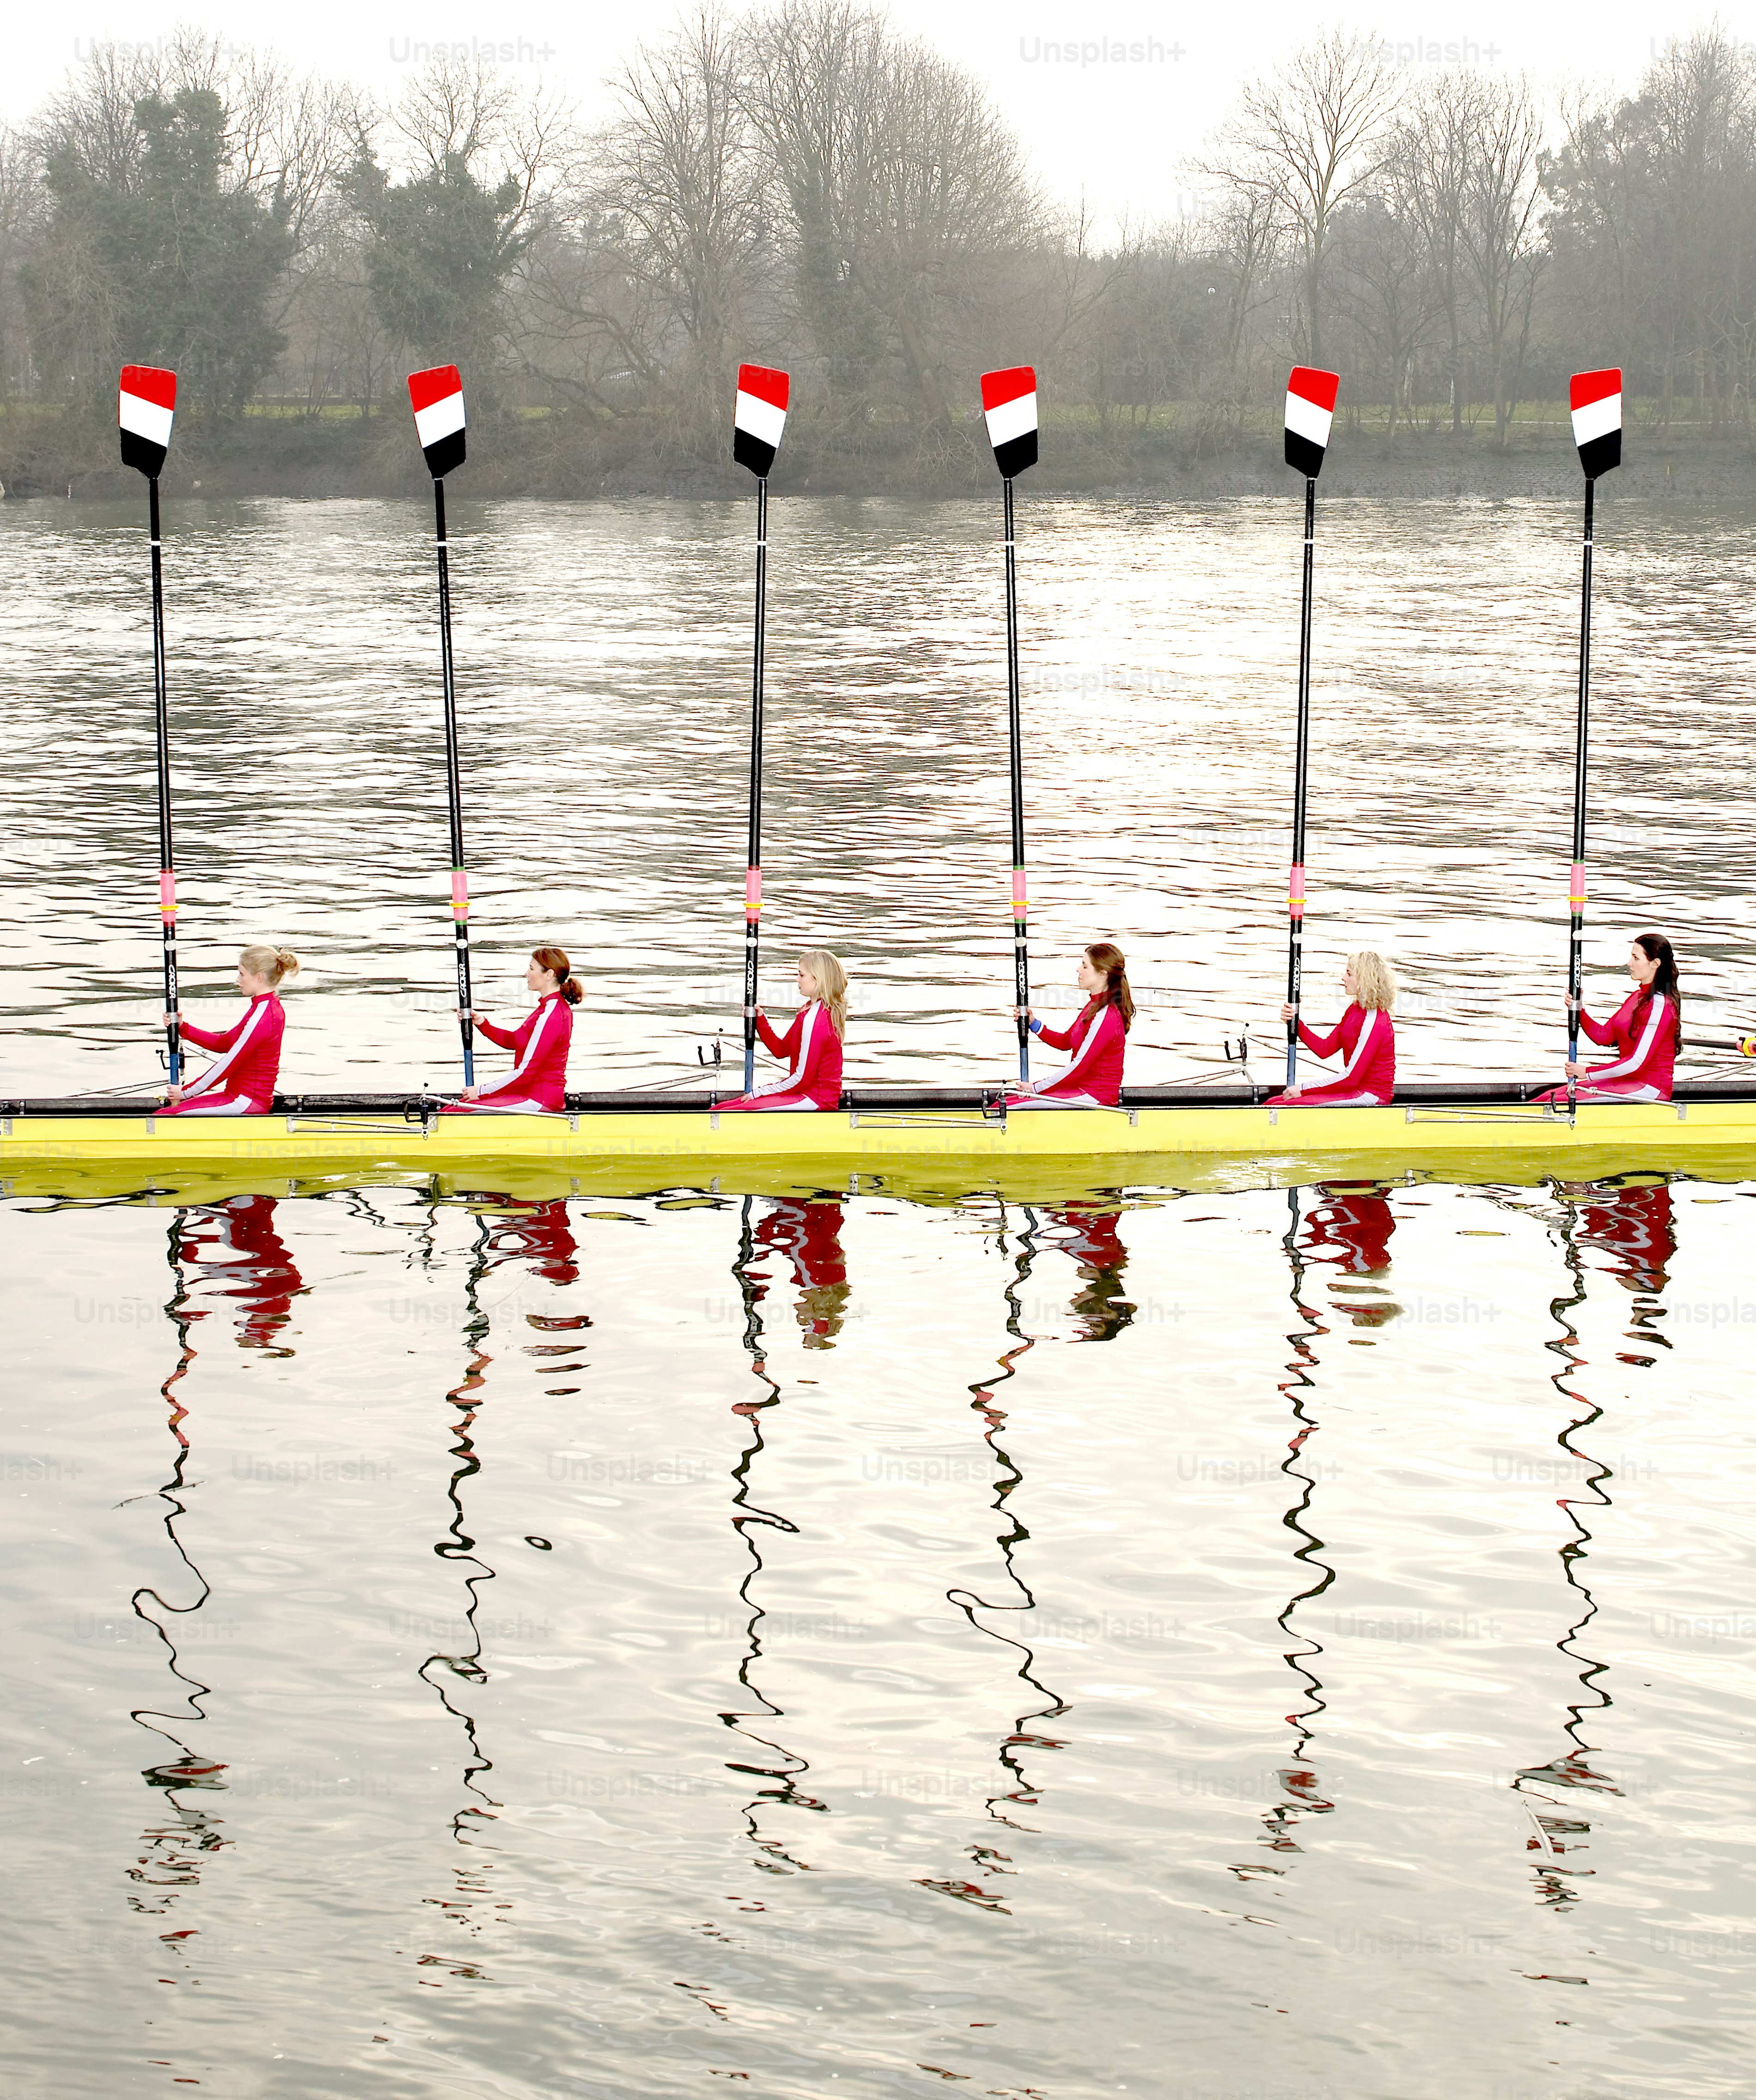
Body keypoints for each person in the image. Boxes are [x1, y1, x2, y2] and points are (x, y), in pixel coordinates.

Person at [1536, 931, 1681, 1103]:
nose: (1629, 963)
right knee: (1548, 1097)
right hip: (1627, 1081)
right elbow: (1604, 1036)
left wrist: (1587, 1073)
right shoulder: (1637, 997)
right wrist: (1580, 1009)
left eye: (1636, 958)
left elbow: (1637, 1062)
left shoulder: (1660, 1005)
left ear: (1655, 964)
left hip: (1651, 1088)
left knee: (1559, 1102)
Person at [159, 945, 299, 1116]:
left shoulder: (263, 1017)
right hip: (237, 1096)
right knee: (165, 1113)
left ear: (259, 978)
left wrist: (186, 1092)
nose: (238, 980)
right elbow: (224, 1043)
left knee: (165, 1117)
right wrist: (183, 1028)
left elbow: (228, 1064)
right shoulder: (263, 1009)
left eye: (242, 974)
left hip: (246, 1101)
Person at [447, 946, 580, 1113]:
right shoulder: (546, 1009)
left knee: (457, 1111)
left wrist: (480, 1091)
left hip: (540, 1100)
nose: (526, 973)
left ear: (549, 975)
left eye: (532, 969)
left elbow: (526, 1073)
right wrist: (481, 1023)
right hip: (528, 1094)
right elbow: (516, 1041)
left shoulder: (552, 1016)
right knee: (452, 1108)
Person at [1007, 942, 1133, 1108]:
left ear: (1103, 974)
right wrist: (1034, 1024)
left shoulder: (1107, 1017)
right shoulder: (1094, 1006)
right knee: (1009, 1099)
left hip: (1096, 1097)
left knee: (1011, 1107)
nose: (1078, 970)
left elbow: (1079, 1066)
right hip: (1080, 1089)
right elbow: (1067, 1042)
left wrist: (1036, 1088)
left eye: (1085, 966)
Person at [720, 949, 847, 1111]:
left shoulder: (817, 1019)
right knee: (721, 1108)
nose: (797, 980)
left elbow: (802, 1079)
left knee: (729, 1112)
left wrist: (759, 1093)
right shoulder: (808, 1010)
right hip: (802, 1093)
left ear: (818, 979)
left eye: (801, 975)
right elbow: (781, 1050)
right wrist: (760, 1020)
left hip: (818, 1100)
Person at [1269, 950, 1396, 1106]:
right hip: (1355, 1089)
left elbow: (1351, 1078)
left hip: (1371, 1096)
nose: (1344, 978)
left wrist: (1302, 1089)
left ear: (1365, 980)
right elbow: (1325, 1049)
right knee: (1273, 1101)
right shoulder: (1355, 1010)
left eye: (1349, 974)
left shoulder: (1375, 1021)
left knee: (1281, 1105)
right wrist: (1294, 1022)